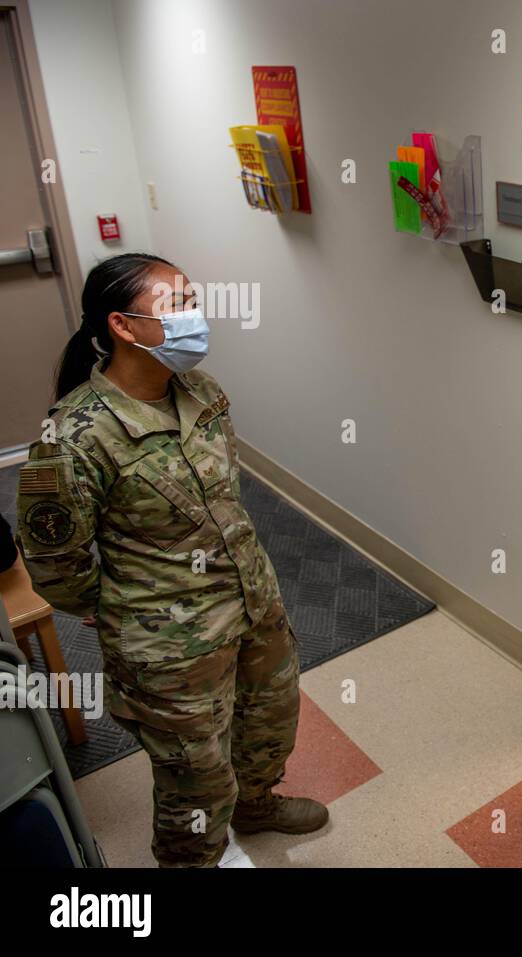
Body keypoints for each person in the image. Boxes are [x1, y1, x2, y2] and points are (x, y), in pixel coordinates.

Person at [14, 253, 326, 867]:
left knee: (269, 720)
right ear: (124, 327)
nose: (195, 316)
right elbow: (56, 567)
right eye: (176, 305)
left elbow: (224, 499)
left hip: (251, 602)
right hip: (169, 647)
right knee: (195, 777)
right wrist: (122, 606)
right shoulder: (74, 437)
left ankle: (256, 803)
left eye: (193, 299)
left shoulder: (201, 391)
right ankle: (193, 860)